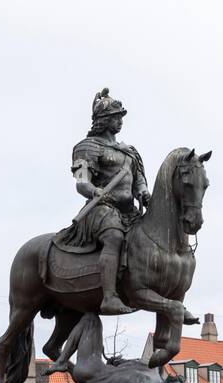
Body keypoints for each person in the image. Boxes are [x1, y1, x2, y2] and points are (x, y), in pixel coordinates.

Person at [53, 88, 149, 316]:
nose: (120, 121)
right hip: (102, 208)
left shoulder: (130, 152)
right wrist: (94, 190)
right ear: (103, 120)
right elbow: (81, 183)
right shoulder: (86, 147)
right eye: (115, 117)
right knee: (114, 236)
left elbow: (140, 182)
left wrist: (144, 192)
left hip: (129, 210)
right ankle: (109, 298)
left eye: (121, 117)